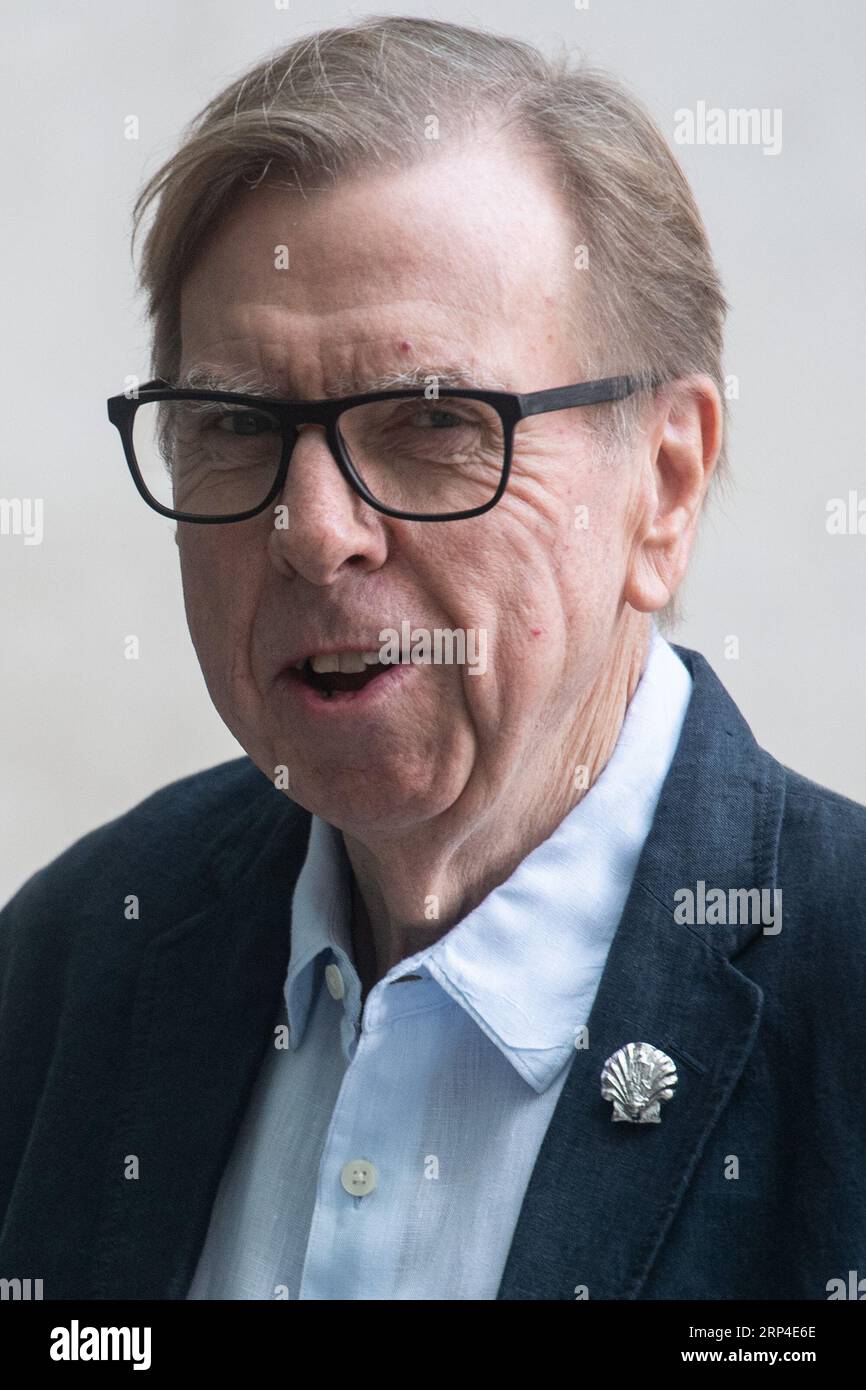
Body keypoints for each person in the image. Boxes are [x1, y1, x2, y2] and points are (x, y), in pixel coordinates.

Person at [1, 16, 864, 1301]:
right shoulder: (71, 961)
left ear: (664, 486)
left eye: (429, 421)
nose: (311, 531)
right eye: (236, 424)